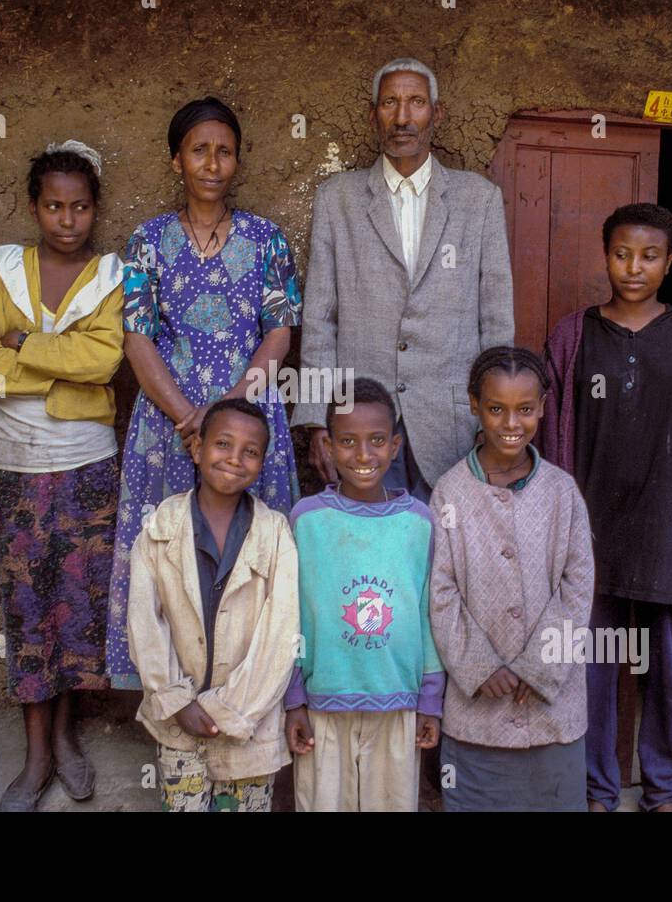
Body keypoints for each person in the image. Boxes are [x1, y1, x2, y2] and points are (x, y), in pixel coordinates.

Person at [540, 202, 672, 812]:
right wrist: (554, 536)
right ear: (605, 255)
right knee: (593, 669)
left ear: (670, 262)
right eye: (621, 253)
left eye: (650, 256)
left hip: (671, 529)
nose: (634, 267)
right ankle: (598, 790)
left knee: (670, 670)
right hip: (594, 530)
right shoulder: (573, 334)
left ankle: (663, 791)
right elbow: (549, 433)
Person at [107, 97, 302, 690]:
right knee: (171, 557)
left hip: (248, 417)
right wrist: (189, 415)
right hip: (169, 424)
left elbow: (280, 330)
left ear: (237, 161)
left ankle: (254, 687)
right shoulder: (147, 241)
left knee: (253, 552)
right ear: (176, 161)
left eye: (224, 151)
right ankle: (173, 696)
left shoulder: (267, 240)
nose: (212, 163)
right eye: (199, 150)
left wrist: (231, 408)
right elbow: (137, 337)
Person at [0, 140, 125, 812]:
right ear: (34, 206)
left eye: (79, 207)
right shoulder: (6, 271)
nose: (67, 219)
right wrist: (60, 357)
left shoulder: (110, 276)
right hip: (18, 463)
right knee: (30, 611)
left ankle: (67, 739)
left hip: (87, 463)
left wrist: (24, 345)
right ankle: (34, 758)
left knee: (79, 607)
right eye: (54, 206)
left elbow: (103, 360)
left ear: (93, 210)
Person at [293, 57, 514, 501]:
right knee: (368, 560)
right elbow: (319, 320)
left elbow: (496, 323)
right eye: (390, 103)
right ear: (373, 115)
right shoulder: (339, 199)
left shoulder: (479, 201)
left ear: (438, 113)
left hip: (453, 426)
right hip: (360, 429)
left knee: (442, 559)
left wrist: (493, 419)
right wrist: (318, 419)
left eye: (416, 102)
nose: (402, 116)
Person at [429, 346, 595, 811]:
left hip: (552, 710)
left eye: (525, 409)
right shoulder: (450, 491)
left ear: (542, 406)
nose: (511, 423)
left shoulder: (562, 492)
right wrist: (479, 665)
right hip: (477, 712)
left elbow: (577, 585)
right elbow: (440, 591)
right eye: (496, 409)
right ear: (474, 405)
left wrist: (538, 665)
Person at [127, 398, 299, 812]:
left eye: (251, 451)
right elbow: (144, 624)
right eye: (223, 444)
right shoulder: (161, 526)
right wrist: (175, 701)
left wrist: (234, 709)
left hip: (249, 725)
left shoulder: (274, 532)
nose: (235, 459)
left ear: (262, 462)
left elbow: (281, 634)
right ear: (197, 447)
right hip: (178, 722)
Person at [284, 378, 443, 812]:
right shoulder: (307, 520)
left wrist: (430, 698)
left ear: (395, 446)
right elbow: (290, 615)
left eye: (376, 441)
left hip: (397, 701)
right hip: (323, 703)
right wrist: (294, 698)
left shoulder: (419, 521)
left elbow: (428, 614)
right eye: (348, 442)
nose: (363, 455)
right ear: (329, 448)